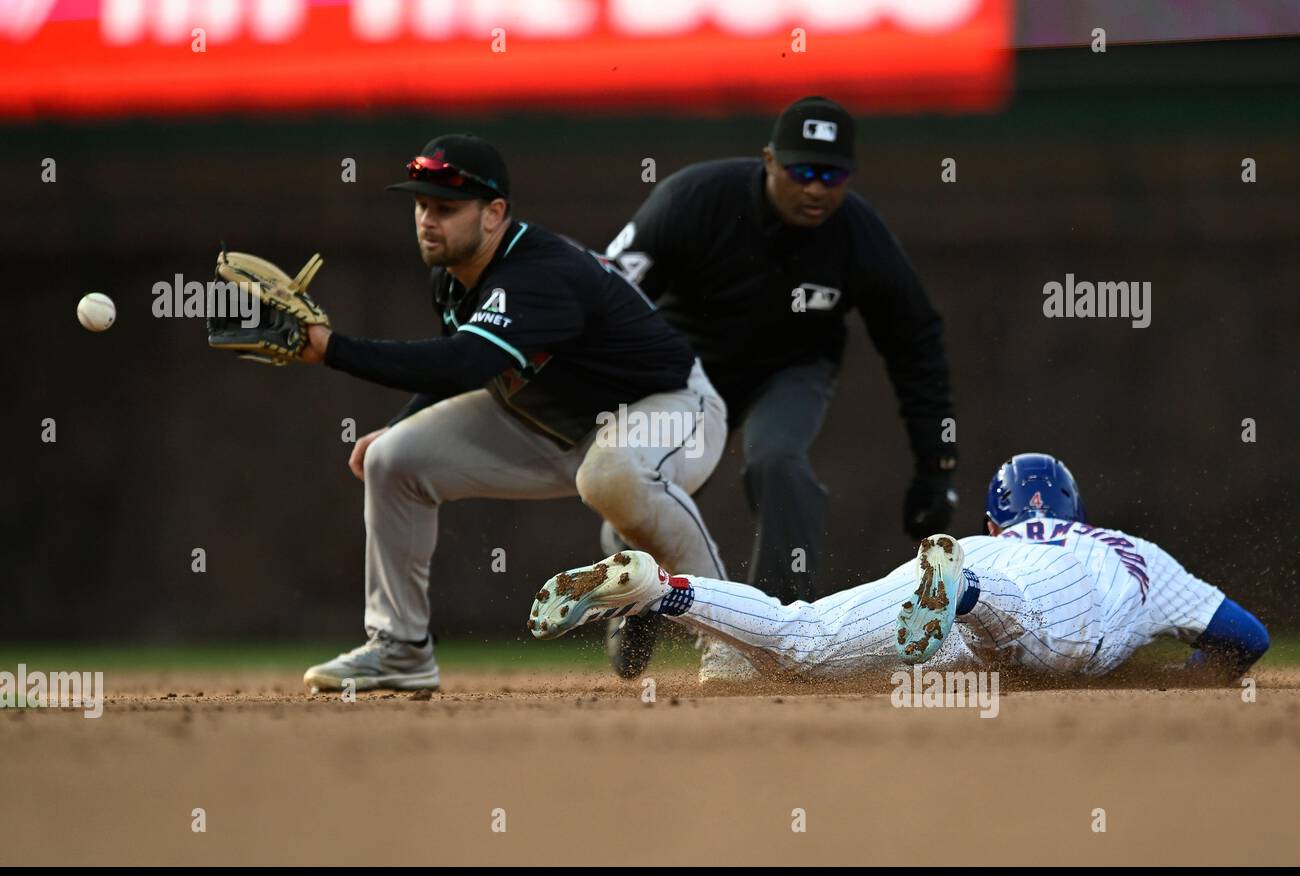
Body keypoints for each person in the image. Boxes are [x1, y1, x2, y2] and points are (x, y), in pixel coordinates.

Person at [298, 134, 728, 692]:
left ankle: (729, 635)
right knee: (391, 460)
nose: (428, 219)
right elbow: (466, 358)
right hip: (551, 425)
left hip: (673, 411)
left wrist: (331, 348)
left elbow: (463, 363)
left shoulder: (538, 273)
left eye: (447, 208)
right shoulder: (454, 276)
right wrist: (403, 421)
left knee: (611, 476)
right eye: (422, 205)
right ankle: (398, 650)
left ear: (495, 213)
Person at [600, 95, 958, 679]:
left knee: (779, 461)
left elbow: (916, 342)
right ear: (768, 160)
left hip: (792, 370)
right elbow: (610, 291)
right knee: (647, 476)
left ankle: (771, 635)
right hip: (687, 364)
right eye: (802, 171)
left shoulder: (858, 236)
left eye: (832, 175)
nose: (816, 189)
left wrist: (935, 467)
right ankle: (635, 590)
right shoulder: (696, 199)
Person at [527, 454, 1268, 683]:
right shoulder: (1125, 549)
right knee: (1051, 644)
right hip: (1039, 591)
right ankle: (965, 594)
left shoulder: (989, 536)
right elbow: (1248, 636)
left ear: (993, 517)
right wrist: (1184, 677)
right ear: (1076, 508)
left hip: (961, 578)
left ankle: (665, 589)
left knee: (804, 643)